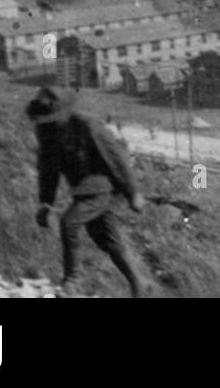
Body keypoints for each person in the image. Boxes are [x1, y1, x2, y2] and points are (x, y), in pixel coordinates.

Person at [26, 86, 147, 297]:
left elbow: (117, 159)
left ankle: (72, 280)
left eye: (53, 118)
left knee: (69, 221)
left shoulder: (87, 125)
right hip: (80, 190)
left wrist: (133, 193)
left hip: (102, 186)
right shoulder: (47, 134)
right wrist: (45, 202)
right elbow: (48, 170)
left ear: (63, 112)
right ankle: (139, 284)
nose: (48, 124)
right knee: (108, 240)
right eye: (44, 121)